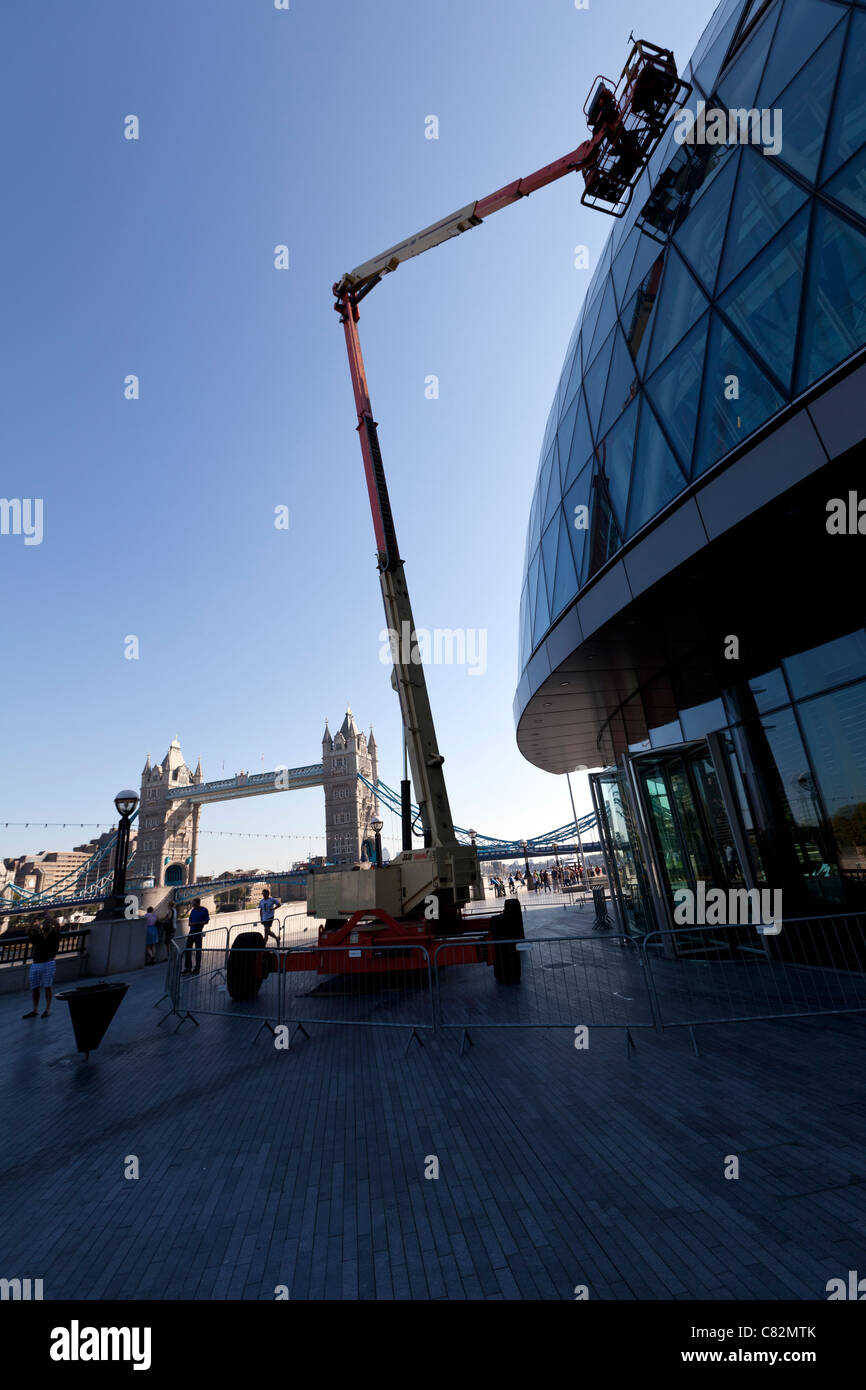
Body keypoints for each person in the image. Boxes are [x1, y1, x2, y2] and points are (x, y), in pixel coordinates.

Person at [23, 916, 61, 1019]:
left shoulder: (55, 935)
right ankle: (35, 1010)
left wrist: (49, 917)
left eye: (48, 923)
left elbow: (57, 926)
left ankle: (47, 1009)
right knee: (35, 988)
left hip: (48, 963)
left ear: (51, 925)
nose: (46, 924)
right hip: (36, 964)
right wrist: (33, 920)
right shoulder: (38, 936)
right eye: (44, 923)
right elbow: (28, 931)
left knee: (47, 986)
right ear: (42, 926)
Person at [182, 898, 209, 975]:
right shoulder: (193, 910)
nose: (192, 905)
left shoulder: (204, 910)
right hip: (191, 932)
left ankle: (197, 968)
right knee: (187, 949)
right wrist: (190, 923)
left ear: (197, 903)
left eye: (193, 904)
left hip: (198, 932)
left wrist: (197, 923)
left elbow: (206, 921)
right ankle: (188, 968)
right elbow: (190, 920)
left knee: (198, 951)